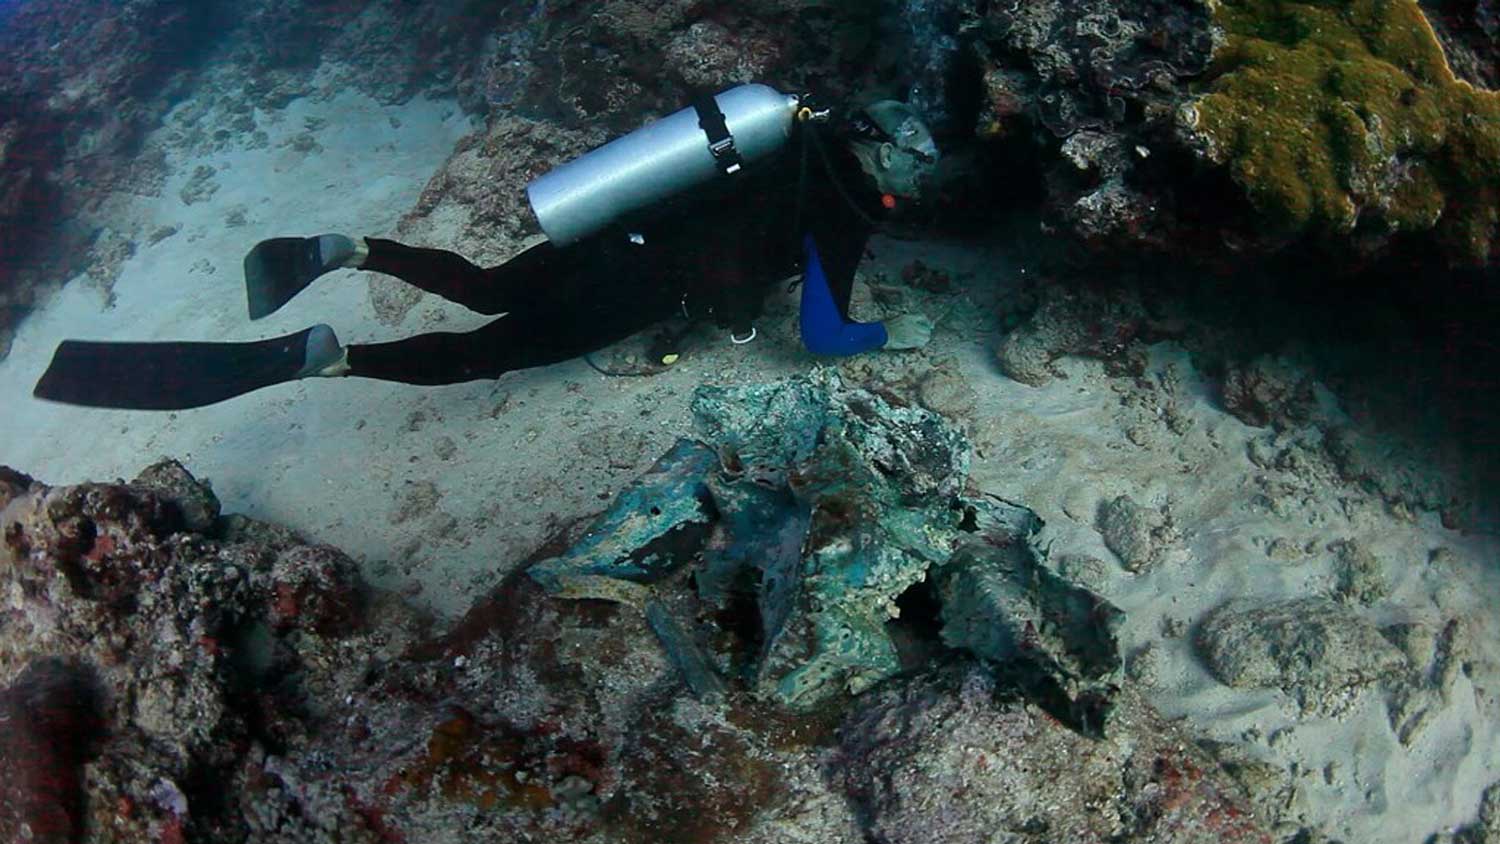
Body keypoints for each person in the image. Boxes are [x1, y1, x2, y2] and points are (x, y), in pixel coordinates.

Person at [33, 94, 940, 410]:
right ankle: (333, 359)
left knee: (485, 288)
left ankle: (353, 250)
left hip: (613, 235)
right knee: (485, 354)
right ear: (887, 178)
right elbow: (824, 333)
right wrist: (889, 335)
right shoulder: (841, 211)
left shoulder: (785, 135)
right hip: (639, 287)